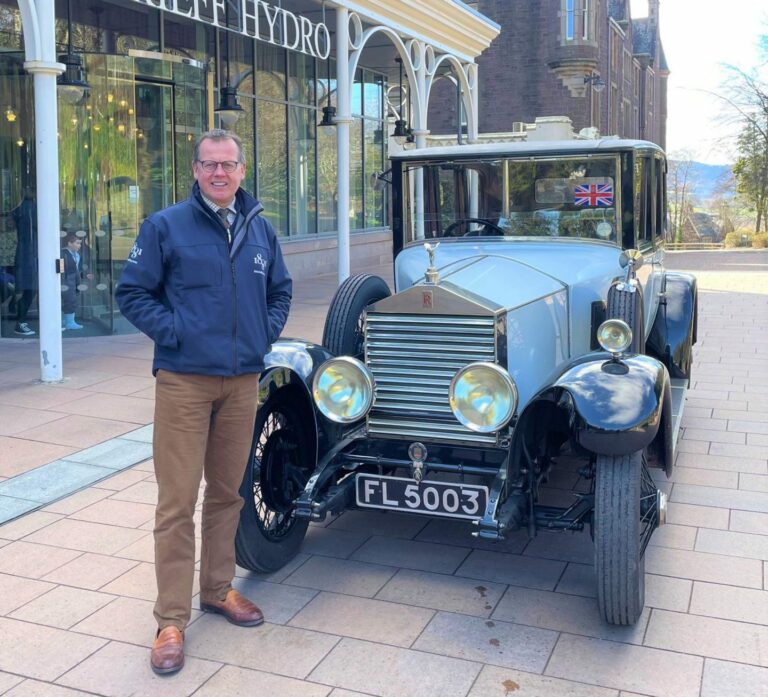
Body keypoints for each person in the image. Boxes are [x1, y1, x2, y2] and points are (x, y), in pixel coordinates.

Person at [116, 129, 292, 676]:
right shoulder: (165, 226)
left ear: (242, 170)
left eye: (228, 164)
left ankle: (217, 589)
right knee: (176, 502)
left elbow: (280, 290)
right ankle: (170, 620)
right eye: (209, 164)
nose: (219, 173)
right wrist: (176, 334)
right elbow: (132, 292)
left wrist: (262, 334)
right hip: (184, 382)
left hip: (240, 383)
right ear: (195, 170)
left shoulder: (260, 228)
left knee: (227, 493)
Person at [12, 188, 38, 336]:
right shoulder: (32, 209)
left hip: (25, 252)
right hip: (31, 253)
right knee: (31, 288)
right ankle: (20, 322)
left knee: (30, 288)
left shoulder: (18, 209)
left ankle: (20, 319)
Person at [61, 232, 92, 330]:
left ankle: (67, 320)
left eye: (80, 243)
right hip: (67, 281)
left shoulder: (76, 255)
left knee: (72, 300)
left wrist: (85, 275)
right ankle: (69, 322)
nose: (79, 245)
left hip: (73, 281)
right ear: (69, 243)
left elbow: (77, 269)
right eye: (77, 243)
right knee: (69, 301)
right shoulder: (63, 254)